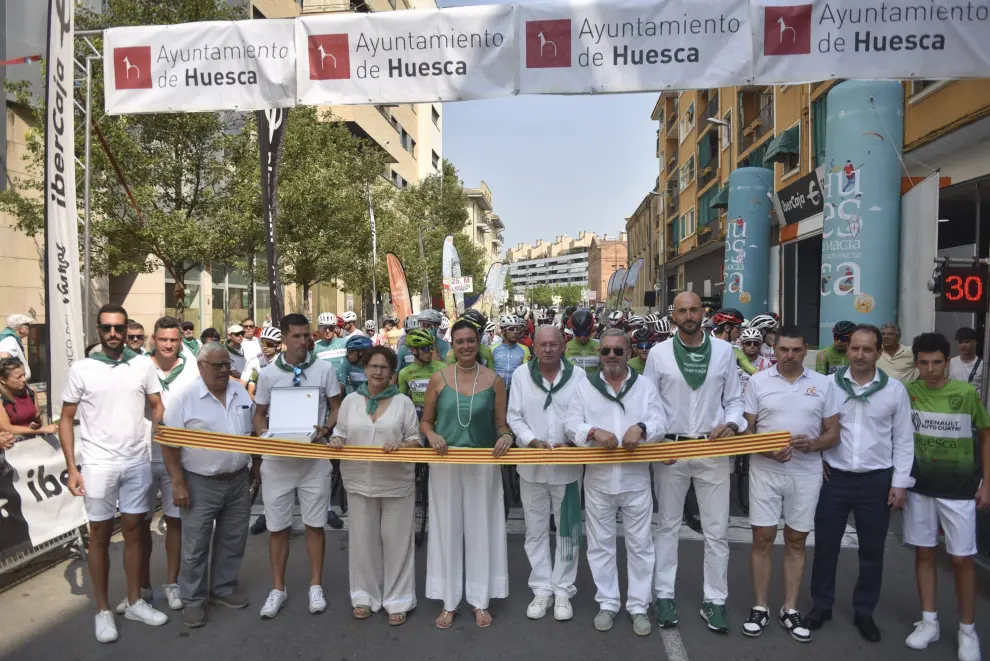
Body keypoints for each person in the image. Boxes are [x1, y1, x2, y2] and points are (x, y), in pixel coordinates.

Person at [59, 304, 168, 643]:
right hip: (98, 464)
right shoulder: (82, 369)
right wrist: (72, 468)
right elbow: (65, 419)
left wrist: (156, 429)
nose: (113, 334)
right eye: (107, 328)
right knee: (101, 536)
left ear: (126, 330)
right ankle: (103, 610)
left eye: (119, 328)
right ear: (98, 329)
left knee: (136, 530)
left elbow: (156, 404)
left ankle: (135, 601)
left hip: (137, 462)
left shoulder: (142, 365)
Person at [644, 291, 746, 634]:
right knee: (668, 526)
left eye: (694, 309)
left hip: (711, 449)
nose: (688, 315)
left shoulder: (723, 353)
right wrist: (657, 440)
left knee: (717, 531)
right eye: (681, 310)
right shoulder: (658, 354)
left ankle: (715, 600)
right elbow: (649, 403)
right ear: (673, 315)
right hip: (670, 452)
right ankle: (664, 596)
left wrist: (732, 423)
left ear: (704, 312)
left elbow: (733, 399)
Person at [808, 324, 915, 643]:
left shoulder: (894, 390)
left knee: (872, 551)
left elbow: (904, 440)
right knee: (825, 547)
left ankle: (864, 611)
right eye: (855, 348)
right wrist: (819, 461)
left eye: (868, 349)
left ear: (879, 353)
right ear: (847, 349)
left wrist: (900, 483)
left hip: (876, 482)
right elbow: (814, 427)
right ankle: (821, 605)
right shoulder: (829, 386)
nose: (859, 355)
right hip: (835, 479)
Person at [740, 326, 840, 642]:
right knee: (763, 538)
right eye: (784, 349)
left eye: (796, 350)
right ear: (775, 349)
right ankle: (759, 607)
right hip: (765, 471)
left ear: (805, 349)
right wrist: (766, 449)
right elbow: (746, 432)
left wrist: (814, 445)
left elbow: (833, 433)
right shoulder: (757, 382)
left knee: (796, 540)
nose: (790, 356)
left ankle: (790, 608)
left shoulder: (824, 384)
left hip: (807, 472)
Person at [565, 329, 666, 636]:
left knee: (640, 546)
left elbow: (661, 421)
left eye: (617, 351)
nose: (610, 356)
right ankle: (607, 602)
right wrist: (594, 432)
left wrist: (642, 427)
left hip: (636, 480)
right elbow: (571, 424)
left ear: (628, 351)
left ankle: (637, 606)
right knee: (600, 546)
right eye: (606, 351)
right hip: (598, 481)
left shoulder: (644, 385)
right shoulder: (586, 387)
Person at [902, 332, 989, 660]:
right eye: (923, 362)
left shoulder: (966, 393)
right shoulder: (908, 393)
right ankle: (929, 621)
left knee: (961, 559)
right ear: (916, 363)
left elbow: (985, 436)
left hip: (959, 490)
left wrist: (987, 484)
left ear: (947, 361)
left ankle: (968, 630)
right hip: (920, 488)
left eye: (936, 362)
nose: (930, 369)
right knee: (924, 555)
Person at [421, 319, 511, 629]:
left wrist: (506, 436)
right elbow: (426, 422)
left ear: (479, 341)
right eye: (459, 341)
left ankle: (480, 600)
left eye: (471, 340)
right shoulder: (438, 378)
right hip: (444, 464)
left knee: (481, 529)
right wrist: (431, 437)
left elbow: (502, 424)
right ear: (452, 344)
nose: (465, 346)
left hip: (483, 464)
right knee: (446, 528)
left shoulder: (494, 380)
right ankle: (448, 601)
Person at [252, 313, 342, 619]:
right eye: (297, 336)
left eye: (307, 336)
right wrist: (264, 435)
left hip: (313, 458)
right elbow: (259, 414)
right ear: (285, 339)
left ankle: (315, 585)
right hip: (277, 461)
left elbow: (336, 406)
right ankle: (278, 588)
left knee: (315, 525)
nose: (304, 341)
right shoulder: (267, 375)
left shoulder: (324, 368)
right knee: (277, 528)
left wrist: (327, 430)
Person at [162, 342, 257, 628]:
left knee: (233, 538)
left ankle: (223, 589)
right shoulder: (184, 397)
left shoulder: (239, 391)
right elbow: (169, 444)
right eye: (217, 365)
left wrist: (256, 469)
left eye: (227, 364)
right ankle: (192, 600)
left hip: (238, 480)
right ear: (201, 366)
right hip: (200, 482)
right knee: (196, 545)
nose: (224, 370)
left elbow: (251, 432)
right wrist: (177, 483)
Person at [329, 346, 421, 625]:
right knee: (362, 542)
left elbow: (416, 440)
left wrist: (403, 444)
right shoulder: (351, 402)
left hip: (396, 483)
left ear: (392, 372)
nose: (378, 371)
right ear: (365, 368)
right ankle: (363, 596)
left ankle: (398, 600)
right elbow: (340, 433)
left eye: (384, 367)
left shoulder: (403, 402)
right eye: (373, 366)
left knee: (398, 543)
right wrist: (336, 442)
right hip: (359, 481)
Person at [508, 326, 587, 622]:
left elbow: (584, 415)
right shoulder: (520, 376)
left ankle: (564, 589)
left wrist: (575, 439)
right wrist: (531, 440)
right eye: (542, 345)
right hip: (532, 467)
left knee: (568, 530)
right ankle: (542, 588)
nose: (548, 349)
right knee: (536, 530)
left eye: (554, 344)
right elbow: (514, 416)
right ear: (534, 347)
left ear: (563, 345)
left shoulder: (578, 377)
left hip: (567, 469)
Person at [128, 317, 200, 616]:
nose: (168, 345)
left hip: (178, 458)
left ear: (180, 340)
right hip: (142, 454)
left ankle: (172, 583)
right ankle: (141, 588)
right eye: (162, 340)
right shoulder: (138, 366)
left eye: (173, 340)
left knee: (175, 522)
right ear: (153, 341)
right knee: (137, 526)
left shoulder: (192, 366)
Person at [397, 329, 446, 419]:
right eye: (425, 348)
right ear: (413, 350)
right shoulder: (404, 373)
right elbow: (402, 403)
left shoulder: (442, 368)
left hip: (440, 415)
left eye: (431, 347)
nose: (430, 351)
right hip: (418, 417)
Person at [0, 358, 55, 436]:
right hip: (14, 445)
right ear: (3, 380)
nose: (24, 379)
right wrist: (42, 429)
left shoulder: (30, 392)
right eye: (18, 377)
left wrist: (37, 422)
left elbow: (38, 417)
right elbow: (7, 428)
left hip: (31, 444)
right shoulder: (1, 400)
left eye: (24, 375)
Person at [493, 314, 531, 392]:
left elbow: (526, 373)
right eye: (512, 329)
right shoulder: (493, 349)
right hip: (496, 391)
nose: (515, 332)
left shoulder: (524, 349)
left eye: (518, 329)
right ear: (503, 331)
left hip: (516, 391)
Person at [245, 326, 282, 398]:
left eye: (269, 344)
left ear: (278, 346)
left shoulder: (283, 361)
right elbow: (250, 392)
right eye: (263, 343)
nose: (265, 347)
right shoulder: (256, 361)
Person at [949, 327, 983, 400]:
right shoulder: (951, 362)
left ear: (975, 342)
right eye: (960, 342)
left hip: (974, 407)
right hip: (954, 404)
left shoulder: (983, 365)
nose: (963, 345)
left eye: (967, 341)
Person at [565, 309, 600, 374]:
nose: (582, 337)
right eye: (578, 333)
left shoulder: (599, 345)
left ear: (591, 329)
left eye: (586, 333)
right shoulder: (565, 347)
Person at [0, 313, 33, 381]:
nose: (30, 326)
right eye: (28, 325)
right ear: (20, 328)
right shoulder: (9, 340)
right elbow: (4, 362)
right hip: (14, 388)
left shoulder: (12, 339)